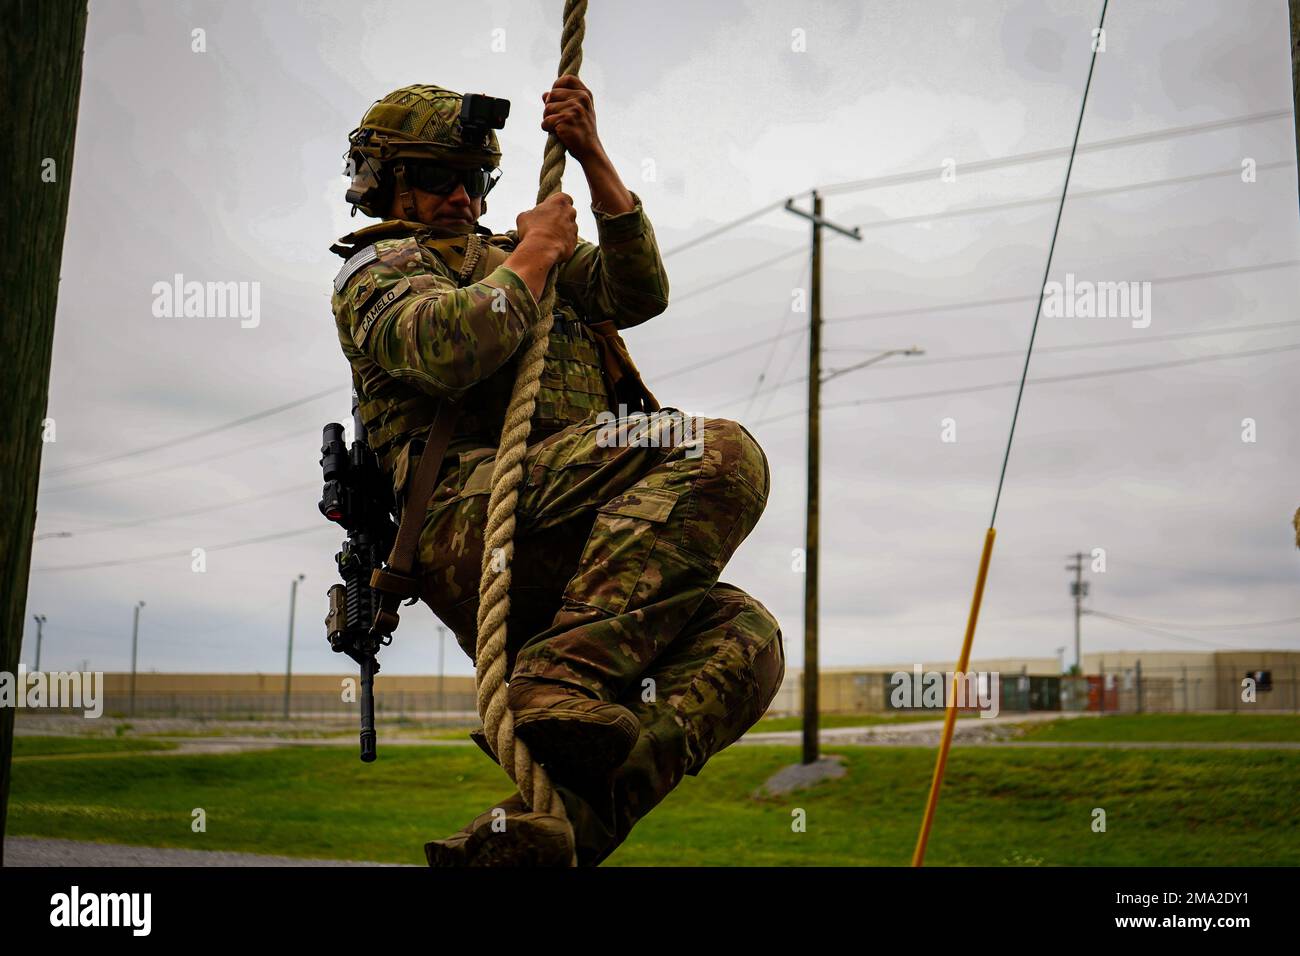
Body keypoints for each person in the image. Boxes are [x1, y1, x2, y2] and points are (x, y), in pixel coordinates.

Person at [329, 77, 784, 866]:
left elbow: (638, 291)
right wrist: (537, 250)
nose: (462, 198)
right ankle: (556, 681)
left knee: (746, 640)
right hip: (469, 522)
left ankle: (537, 836)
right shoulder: (378, 269)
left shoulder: (519, 259)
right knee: (712, 448)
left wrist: (593, 158)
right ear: (386, 182)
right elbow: (450, 347)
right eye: (439, 178)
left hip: (582, 545)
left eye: (476, 180)